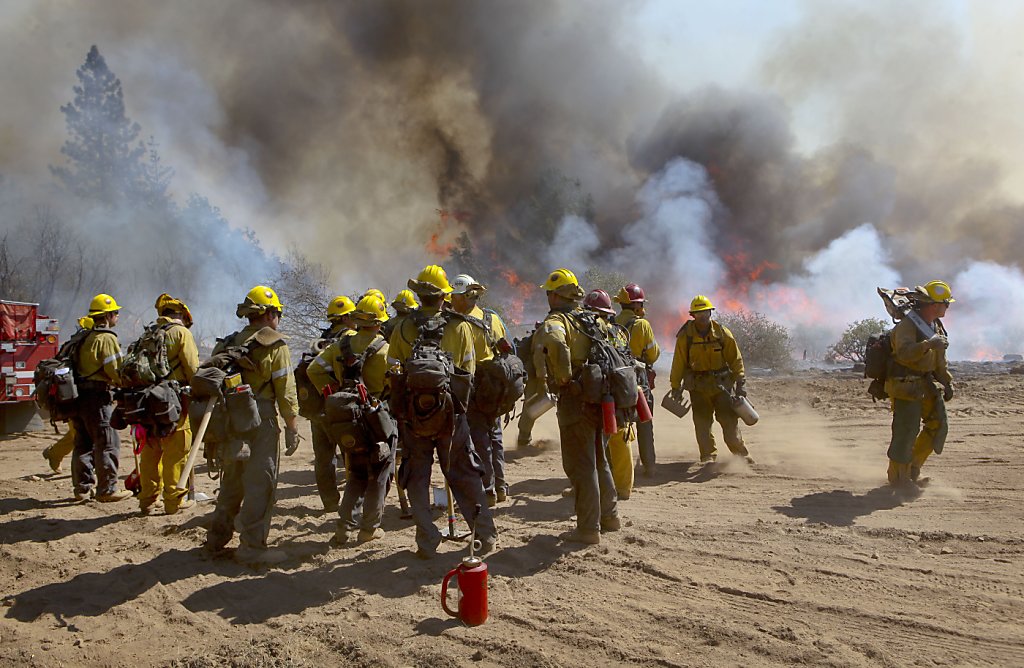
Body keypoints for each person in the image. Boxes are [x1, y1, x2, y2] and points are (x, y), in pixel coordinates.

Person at [389, 264, 497, 559]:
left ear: (418, 295)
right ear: (443, 296)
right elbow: (468, 371)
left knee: (416, 477)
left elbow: (393, 369)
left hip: (414, 418)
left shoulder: (401, 328)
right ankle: (483, 536)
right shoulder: (460, 326)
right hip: (452, 416)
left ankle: (426, 540)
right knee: (464, 474)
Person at [205, 286, 299, 565]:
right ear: (270, 314)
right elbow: (286, 391)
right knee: (261, 484)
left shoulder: (226, 344)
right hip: (262, 423)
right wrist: (292, 426)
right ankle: (252, 547)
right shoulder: (276, 345)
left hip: (231, 422)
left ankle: (215, 541)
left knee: (231, 482)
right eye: (277, 313)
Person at [533, 269, 619, 545]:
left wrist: (563, 377)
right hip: (601, 398)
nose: (548, 296)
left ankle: (588, 529)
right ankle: (610, 517)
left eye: (549, 292)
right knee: (600, 458)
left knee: (581, 465)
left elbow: (555, 342)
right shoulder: (594, 319)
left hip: (576, 400)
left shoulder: (558, 320)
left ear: (557, 296)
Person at [308, 294, 395, 544]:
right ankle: (369, 529)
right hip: (378, 417)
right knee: (380, 473)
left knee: (356, 472)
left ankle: (344, 527)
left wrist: (334, 392)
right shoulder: (386, 350)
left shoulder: (341, 345)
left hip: (347, 416)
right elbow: (394, 384)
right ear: (379, 322)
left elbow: (314, 370)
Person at [885, 280, 954, 488]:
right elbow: (904, 353)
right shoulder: (908, 325)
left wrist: (946, 381)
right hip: (904, 384)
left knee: (938, 424)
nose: (947, 307)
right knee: (906, 432)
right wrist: (927, 345)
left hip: (924, 383)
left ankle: (912, 470)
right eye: (946, 304)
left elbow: (939, 360)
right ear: (934, 305)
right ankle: (898, 479)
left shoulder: (935, 326)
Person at [669, 295, 752, 465]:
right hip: (698, 388)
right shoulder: (686, 336)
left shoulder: (722, 333)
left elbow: (736, 359)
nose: (702, 317)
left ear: (710, 313)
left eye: (705, 312)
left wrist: (740, 381)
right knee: (702, 424)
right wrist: (675, 386)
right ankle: (708, 457)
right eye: (699, 313)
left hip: (722, 387)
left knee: (729, 422)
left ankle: (740, 454)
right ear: (693, 315)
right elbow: (678, 363)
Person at [449, 273, 510, 505]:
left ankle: (489, 489)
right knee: (495, 437)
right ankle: (501, 486)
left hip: (473, 387)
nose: (451, 300)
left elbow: (455, 361)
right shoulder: (492, 318)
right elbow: (507, 347)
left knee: (480, 438)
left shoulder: (457, 324)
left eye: (454, 296)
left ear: (463, 296)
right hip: (494, 386)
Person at [137, 294, 200, 515]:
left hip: (146, 400)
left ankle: (147, 499)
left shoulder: (149, 333)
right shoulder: (181, 333)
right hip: (173, 400)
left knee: (151, 448)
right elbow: (193, 369)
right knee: (177, 449)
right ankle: (174, 501)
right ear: (181, 316)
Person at [69, 294, 131, 503]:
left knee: (83, 443)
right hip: (97, 397)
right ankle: (107, 489)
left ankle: (82, 489)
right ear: (107, 315)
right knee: (107, 442)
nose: (118, 316)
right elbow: (116, 372)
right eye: (116, 312)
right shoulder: (107, 338)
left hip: (78, 397)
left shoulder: (84, 336)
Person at [307, 295, 357, 512]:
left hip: (318, 409)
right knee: (354, 456)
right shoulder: (351, 339)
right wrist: (335, 391)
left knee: (323, 457)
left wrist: (324, 392)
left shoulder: (319, 342)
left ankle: (330, 503)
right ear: (346, 318)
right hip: (343, 409)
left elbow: (311, 370)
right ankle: (352, 505)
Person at [585, 289, 635, 500]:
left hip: (602, 393)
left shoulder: (589, 331)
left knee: (595, 443)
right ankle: (623, 488)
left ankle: (594, 487)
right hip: (622, 390)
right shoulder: (619, 332)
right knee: (622, 439)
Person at [613, 283, 660, 476]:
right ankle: (649, 466)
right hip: (638, 380)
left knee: (617, 423)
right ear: (637, 306)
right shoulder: (642, 325)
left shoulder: (611, 324)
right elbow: (653, 354)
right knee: (644, 421)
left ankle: (615, 467)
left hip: (616, 380)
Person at [41, 316, 94, 474]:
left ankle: (54, 453)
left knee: (78, 433)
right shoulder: (80, 347)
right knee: (80, 436)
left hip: (77, 397)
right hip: (75, 397)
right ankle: (57, 456)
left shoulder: (74, 345)